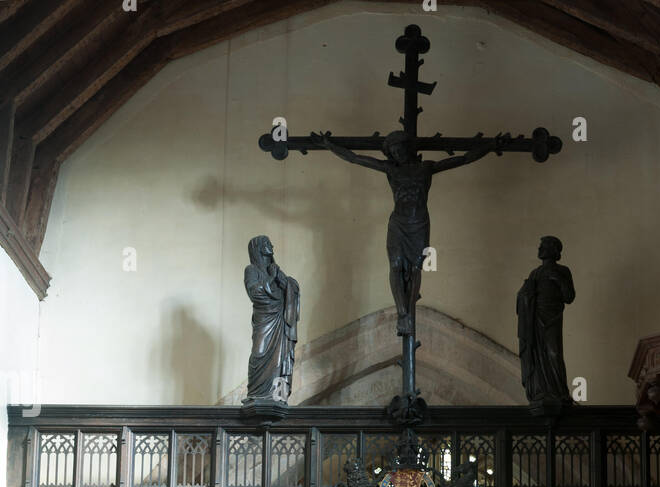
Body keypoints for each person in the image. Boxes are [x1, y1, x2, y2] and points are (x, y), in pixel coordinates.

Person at [313, 129, 504, 333]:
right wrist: (329, 145)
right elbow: (355, 158)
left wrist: (490, 146)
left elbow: (464, 159)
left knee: (415, 269)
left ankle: (408, 308)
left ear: (409, 148)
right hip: (398, 224)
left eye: (400, 149)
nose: (398, 154)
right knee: (395, 266)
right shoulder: (391, 169)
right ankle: (403, 313)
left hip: (419, 224)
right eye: (393, 152)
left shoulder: (426, 168)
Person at [517, 235, 575, 404]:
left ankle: (559, 392)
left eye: (543, 246)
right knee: (536, 353)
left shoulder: (563, 271)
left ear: (554, 250)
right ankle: (539, 391)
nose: (539, 249)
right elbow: (523, 296)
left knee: (554, 352)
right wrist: (524, 294)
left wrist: (557, 279)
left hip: (552, 317)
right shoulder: (535, 273)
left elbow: (569, 296)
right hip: (534, 318)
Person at [244, 235, 300, 403]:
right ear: (259, 248)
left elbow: (290, 289)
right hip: (264, 320)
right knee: (259, 354)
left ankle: (279, 396)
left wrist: (284, 282)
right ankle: (257, 394)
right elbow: (254, 293)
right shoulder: (251, 270)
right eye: (267, 243)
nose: (272, 246)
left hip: (280, 322)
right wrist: (270, 277)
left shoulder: (276, 269)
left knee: (280, 359)